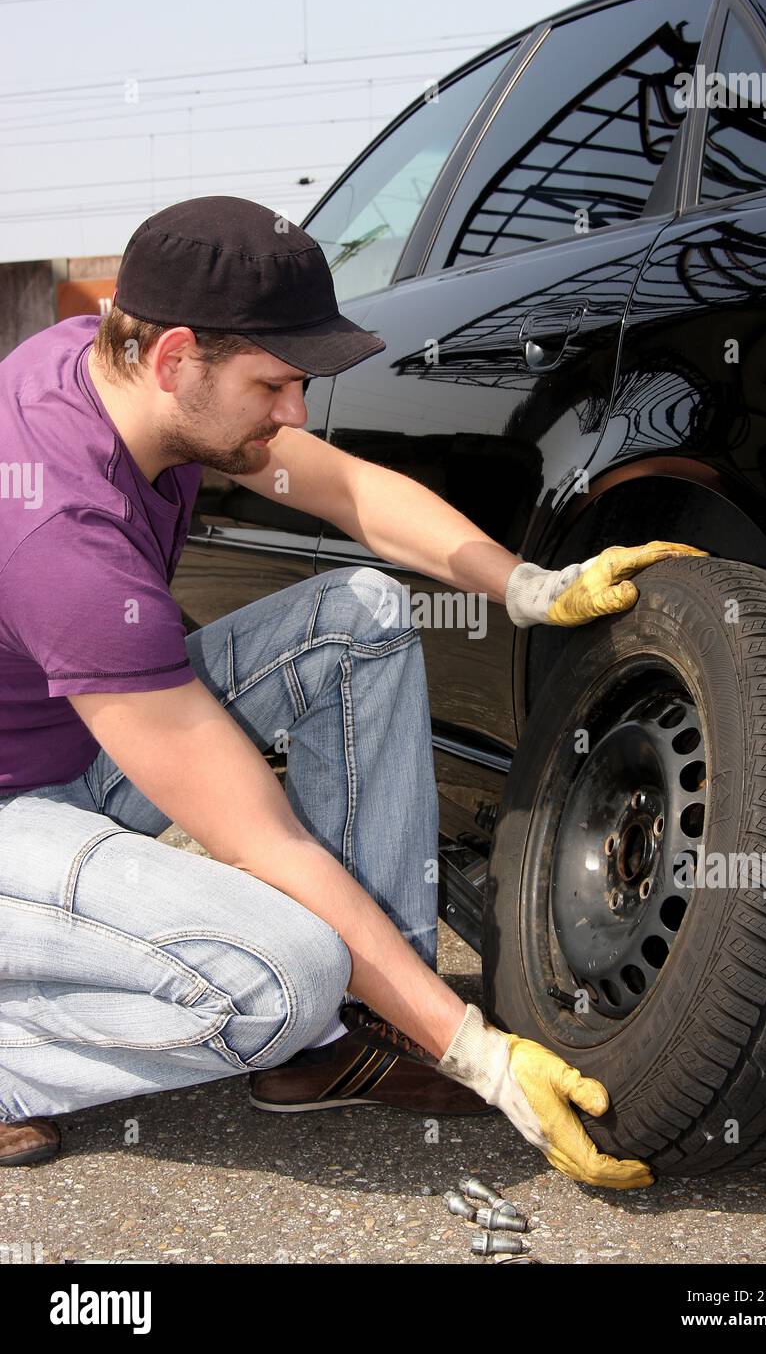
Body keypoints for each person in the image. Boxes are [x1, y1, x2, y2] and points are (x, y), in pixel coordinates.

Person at [0, 195, 705, 1186]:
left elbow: (349, 490)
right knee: (286, 970)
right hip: (12, 812)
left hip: (69, 748)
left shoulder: (119, 363)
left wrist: (525, 586)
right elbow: (266, 840)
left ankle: (369, 1031)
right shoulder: (55, 531)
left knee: (362, 613)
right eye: (274, 384)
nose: (293, 413)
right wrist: (483, 1053)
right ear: (173, 361)